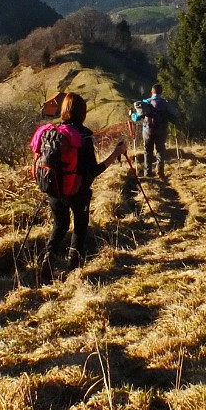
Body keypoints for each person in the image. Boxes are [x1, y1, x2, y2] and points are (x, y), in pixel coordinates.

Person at [42, 92, 126, 273]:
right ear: (83, 112)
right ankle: (75, 265)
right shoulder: (84, 137)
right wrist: (115, 153)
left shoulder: (53, 133)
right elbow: (93, 171)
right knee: (80, 226)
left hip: (54, 189)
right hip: (77, 190)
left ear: (64, 110)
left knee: (60, 225)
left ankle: (47, 260)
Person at [130, 82, 179, 179]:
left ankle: (147, 173)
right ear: (161, 92)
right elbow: (173, 117)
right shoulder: (165, 103)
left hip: (148, 130)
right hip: (162, 130)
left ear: (152, 92)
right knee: (160, 150)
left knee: (148, 151)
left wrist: (131, 114)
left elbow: (136, 118)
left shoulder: (146, 102)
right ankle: (160, 172)